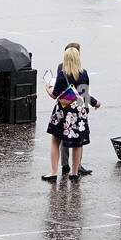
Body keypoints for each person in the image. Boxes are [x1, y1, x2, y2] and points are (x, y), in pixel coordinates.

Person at [42, 44, 101, 182]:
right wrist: (92, 105)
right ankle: (74, 173)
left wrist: (47, 87)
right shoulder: (84, 73)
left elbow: (54, 94)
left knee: (56, 140)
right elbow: (84, 94)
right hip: (78, 111)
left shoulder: (62, 74)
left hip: (63, 111)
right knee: (77, 142)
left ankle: (53, 172)